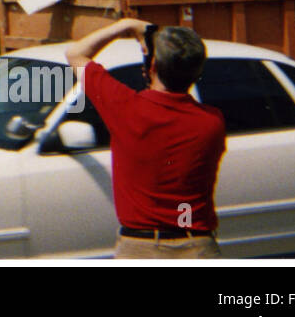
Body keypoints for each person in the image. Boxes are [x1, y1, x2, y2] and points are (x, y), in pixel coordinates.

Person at [64, 17, 226, 259]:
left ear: (151, 68)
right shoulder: (213, 122)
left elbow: (76, 53)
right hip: (198, 247)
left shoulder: (126, 108)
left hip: (140, 249)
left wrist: (127, 25)